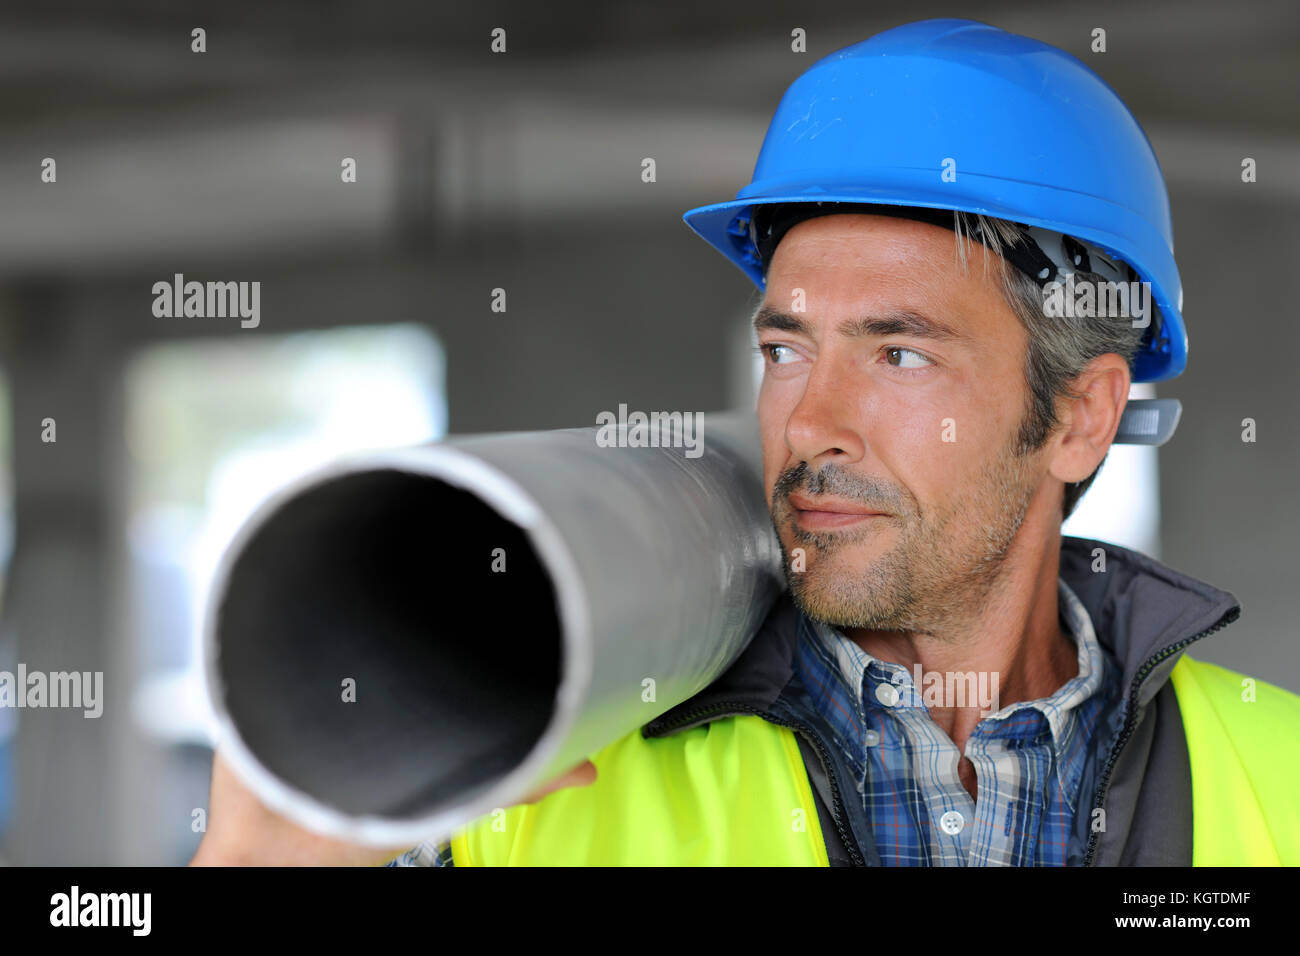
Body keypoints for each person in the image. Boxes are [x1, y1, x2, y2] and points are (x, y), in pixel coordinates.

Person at [191, 18, 1300, 867]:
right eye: (785, 349)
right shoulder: (528, 792)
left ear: (1078, 416)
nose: (809, 421)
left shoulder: (1276, 777)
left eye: (899, 354)